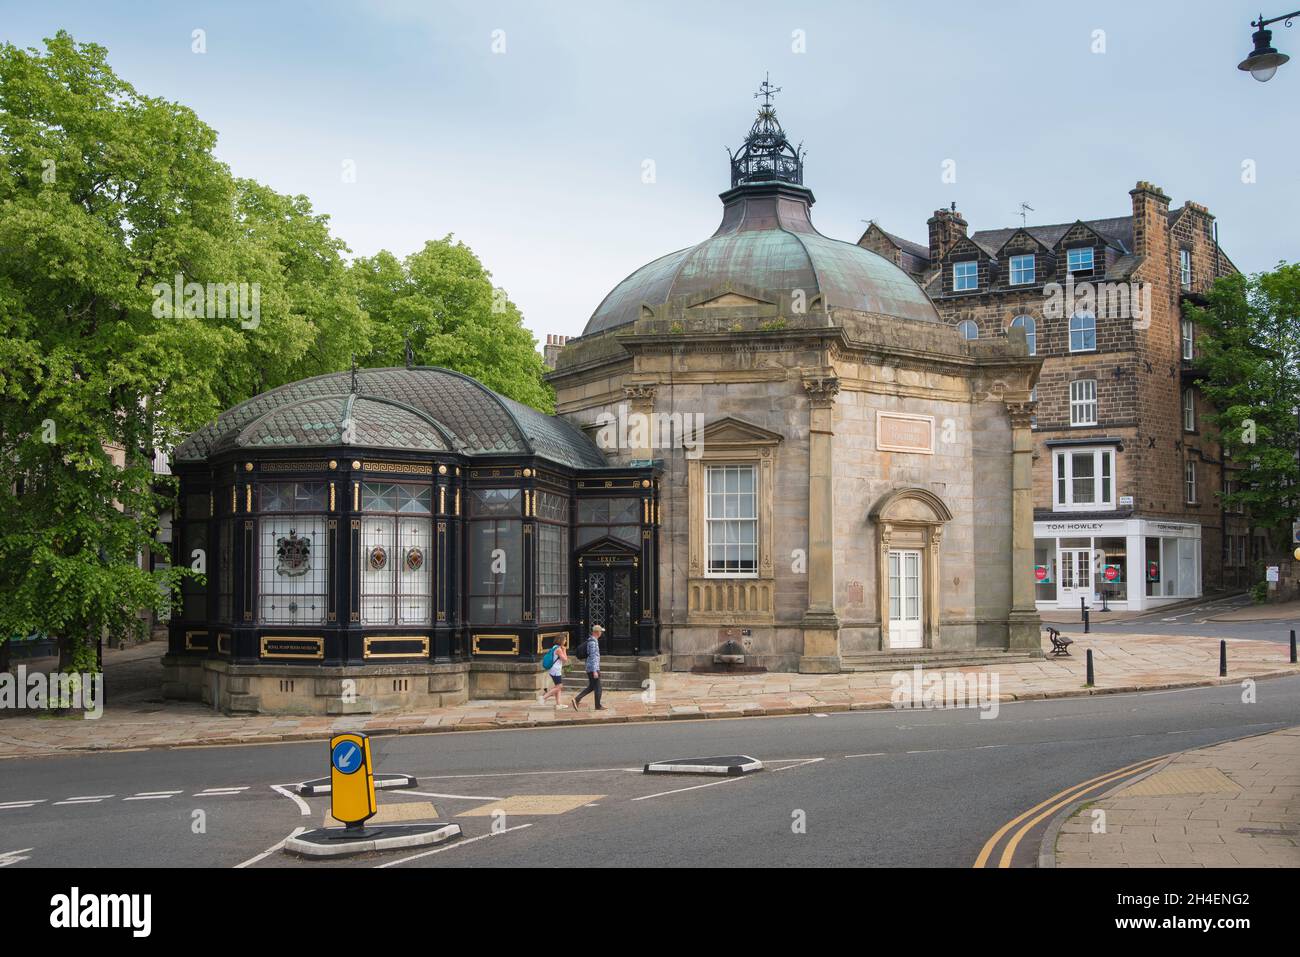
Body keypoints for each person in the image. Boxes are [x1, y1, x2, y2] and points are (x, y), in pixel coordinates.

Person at [572, 624, 605, 711]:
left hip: (591, 667)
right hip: (593, 668)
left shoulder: (592, 641)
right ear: (597, 632)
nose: (601, 633)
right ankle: (597, 706)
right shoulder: (593, 642)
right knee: (598, 687)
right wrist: (595, 671)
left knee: (592, 686)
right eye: (601, 631)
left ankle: (578, 699)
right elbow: (593, 656)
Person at [540, 636, 570, 709]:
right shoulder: (559, 649)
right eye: (565, 640)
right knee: (559, 686)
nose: (565, 641)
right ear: (561, 641)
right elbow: (565, 659)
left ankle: (558, 704)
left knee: (558, 686)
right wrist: (564, 650)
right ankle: (543, 698)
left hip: (553, 669)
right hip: (556, 670)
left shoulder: (554, 647)